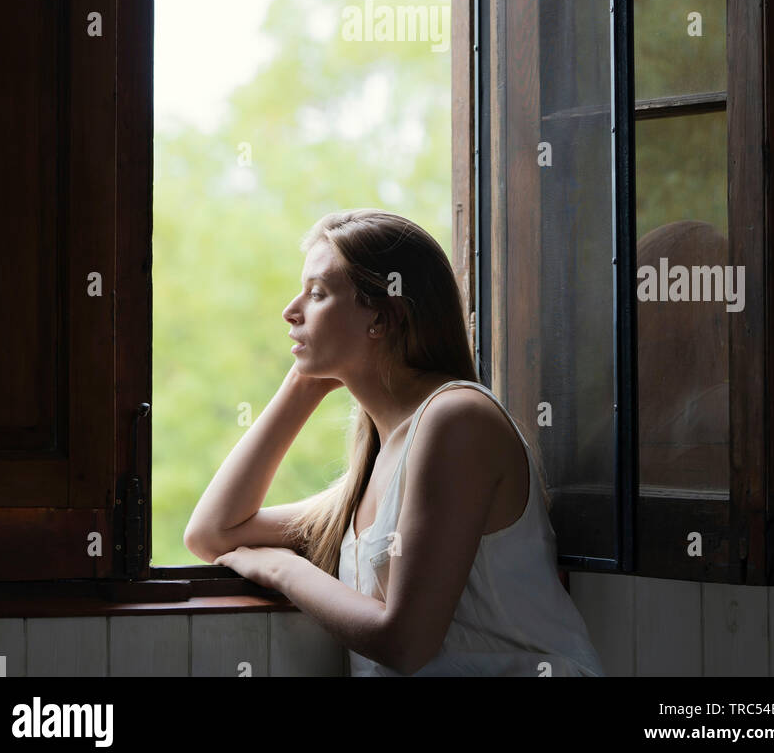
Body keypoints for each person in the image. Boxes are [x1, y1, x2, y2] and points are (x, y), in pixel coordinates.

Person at [184, 208, 605, 678]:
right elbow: (211, 533)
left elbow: (405, 642)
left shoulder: (457, 420)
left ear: (382, 320)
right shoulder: (381, 460)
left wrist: (284, 569)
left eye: (318, 293)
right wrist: (300, 388)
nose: (291, 310)